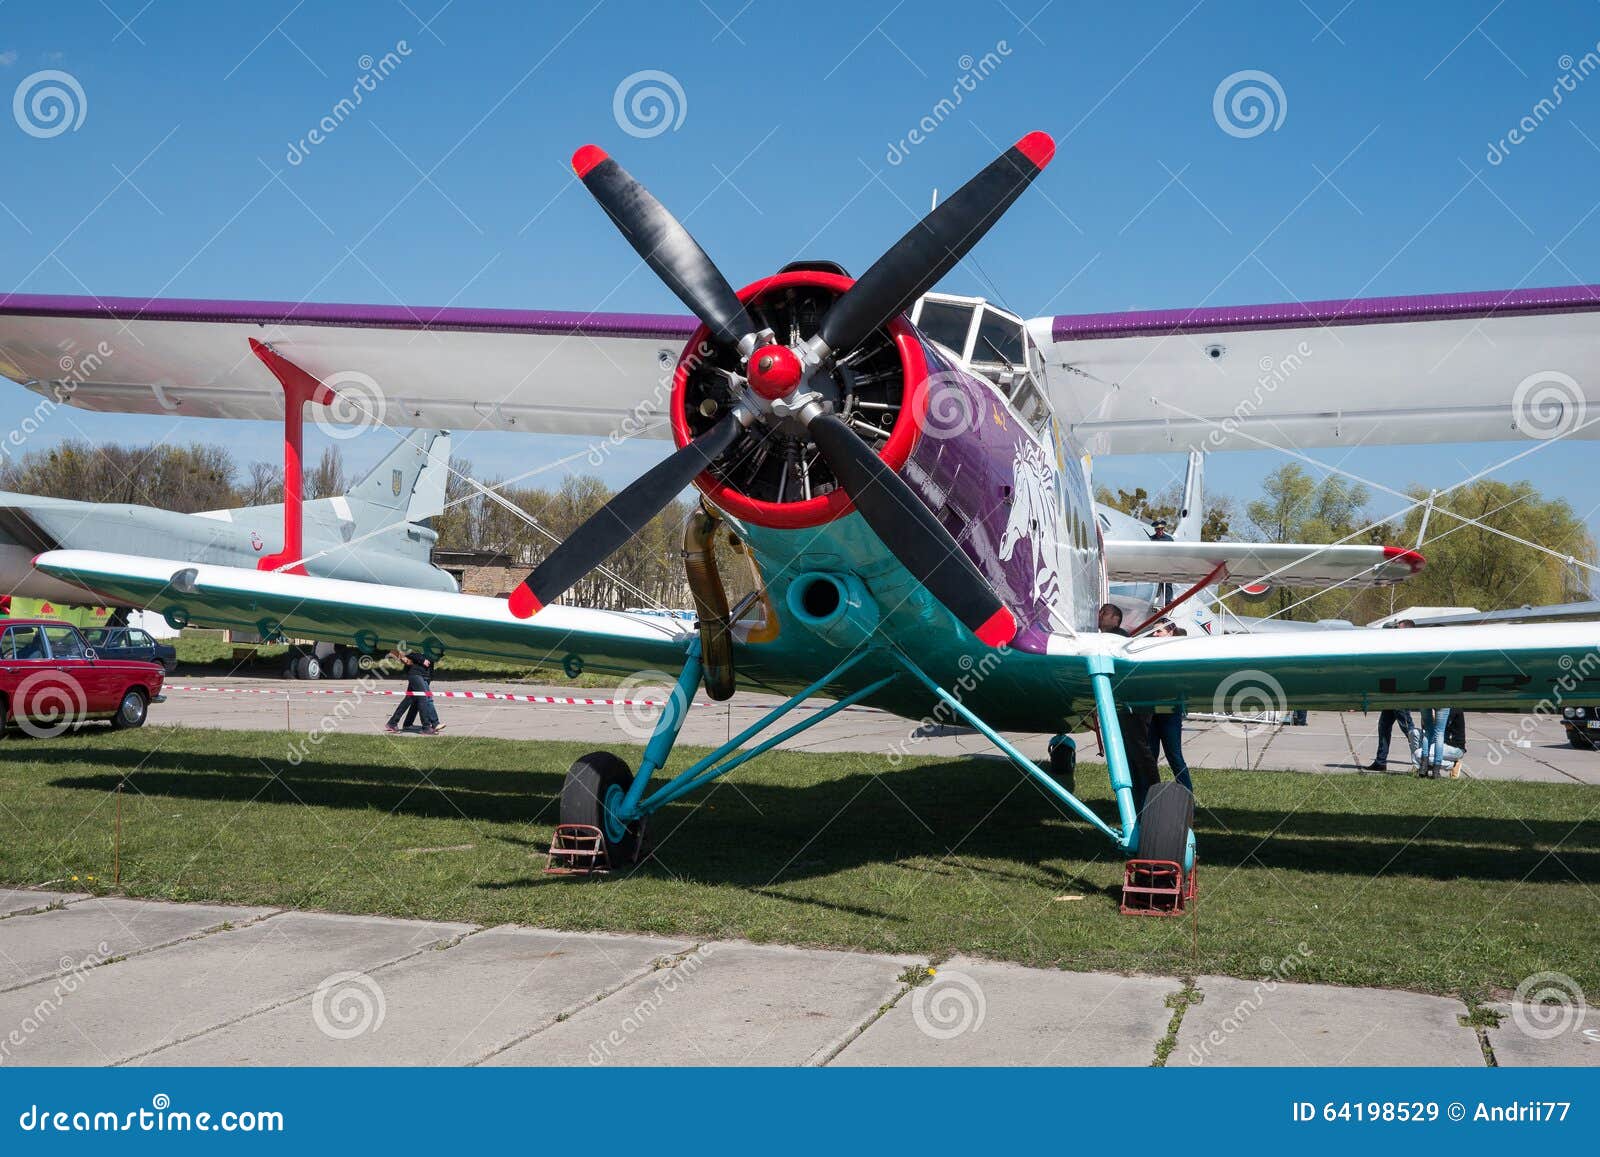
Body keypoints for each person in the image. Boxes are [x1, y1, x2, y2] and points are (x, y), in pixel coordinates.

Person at [1144, 620, 1193, 791]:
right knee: (1150, 756)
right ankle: (1150, 793)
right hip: (1151, 712)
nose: (1155, 634)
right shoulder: (1148, 652)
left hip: (1170, 712)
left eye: (1159, 631)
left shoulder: (1178, 653)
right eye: (1154, 632)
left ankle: (1188, 794)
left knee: (1174, 756)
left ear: (1170, 632)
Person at [385, 649, 444, 735]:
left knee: (410, 699)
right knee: (423, 698)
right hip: (415, 673)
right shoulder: (416, 640)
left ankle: (395, 723)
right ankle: (426, 727)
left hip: (425, 675)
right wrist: (422, 660)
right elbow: (408, 652)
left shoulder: (431, 643)